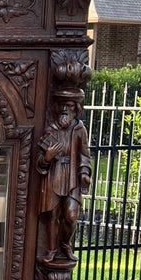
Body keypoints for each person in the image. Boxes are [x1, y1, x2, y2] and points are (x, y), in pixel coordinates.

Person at [37, 89, 91, 264]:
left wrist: (84, 173)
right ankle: (52, 249)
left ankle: (65, 244)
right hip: (54, 174)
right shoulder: (50, 129)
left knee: (71, 215)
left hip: (72, 177)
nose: (64, 110)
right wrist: (47, 158)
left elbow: (85, 154)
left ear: (75, 108)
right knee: (52, 214)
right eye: (62, 105)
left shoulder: (79, 129)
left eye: (68, 106)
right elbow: (39, 158)